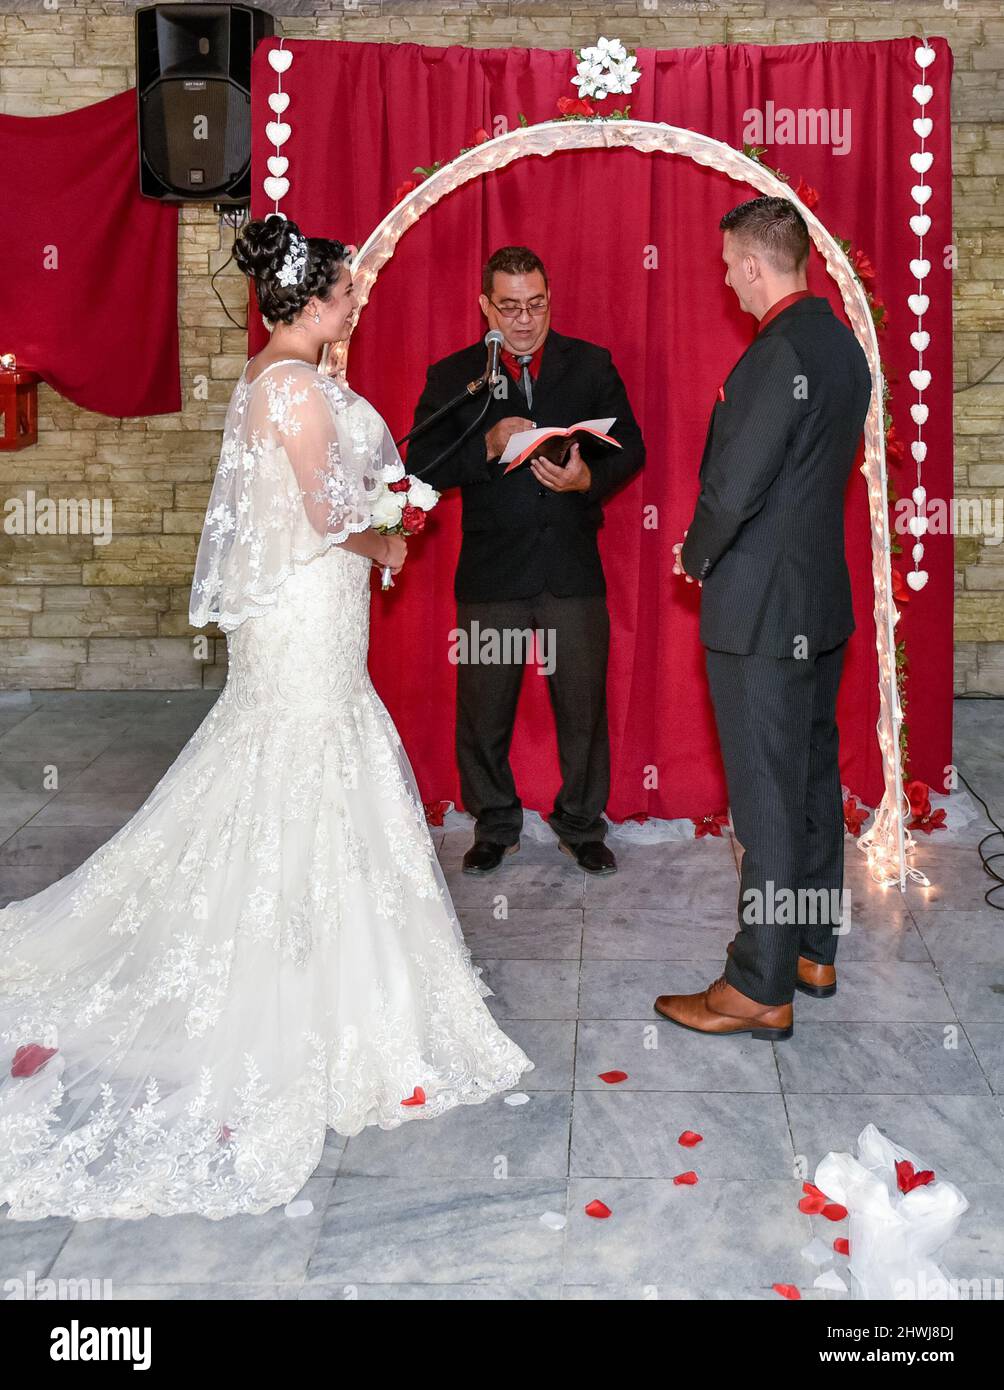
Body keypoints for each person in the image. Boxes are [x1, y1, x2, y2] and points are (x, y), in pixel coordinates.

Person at [0, 215, 532, 1222]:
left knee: (305, 756)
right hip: (303, 610)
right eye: (345, 290)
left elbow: (327, 497)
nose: (355, 301)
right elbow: (329, 514)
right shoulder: (289, 387)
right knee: (305, 753)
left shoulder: (274, 374)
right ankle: (299, 978)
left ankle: (314, 951)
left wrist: (385, 512)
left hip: (308, 608)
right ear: (313, 301)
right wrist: (391, 536)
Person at [655, 196, 871, 1041]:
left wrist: (694, 554)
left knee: (768, 802)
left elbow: (734, 487)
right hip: (820, 602)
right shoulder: (842, 344)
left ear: (753, 263)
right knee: (813, 780)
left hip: (761, 611)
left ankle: (759, 984)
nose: (724, 280)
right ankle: (813, 947)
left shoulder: (776, 353)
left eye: (726, 264)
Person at [405, 246, 645, 878]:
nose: (524, 320)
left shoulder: (590, 365)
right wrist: (486, 443)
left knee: (582, 707)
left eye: (535, 304)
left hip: (571, 569)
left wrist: (586, 478)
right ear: (486, 306)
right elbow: (419, 467)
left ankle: (581, 825)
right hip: (493, 574)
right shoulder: (456, 375)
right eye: (509, 306)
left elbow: (632, 447)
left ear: (549, 299)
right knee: (484, 708)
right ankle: (495, 823)